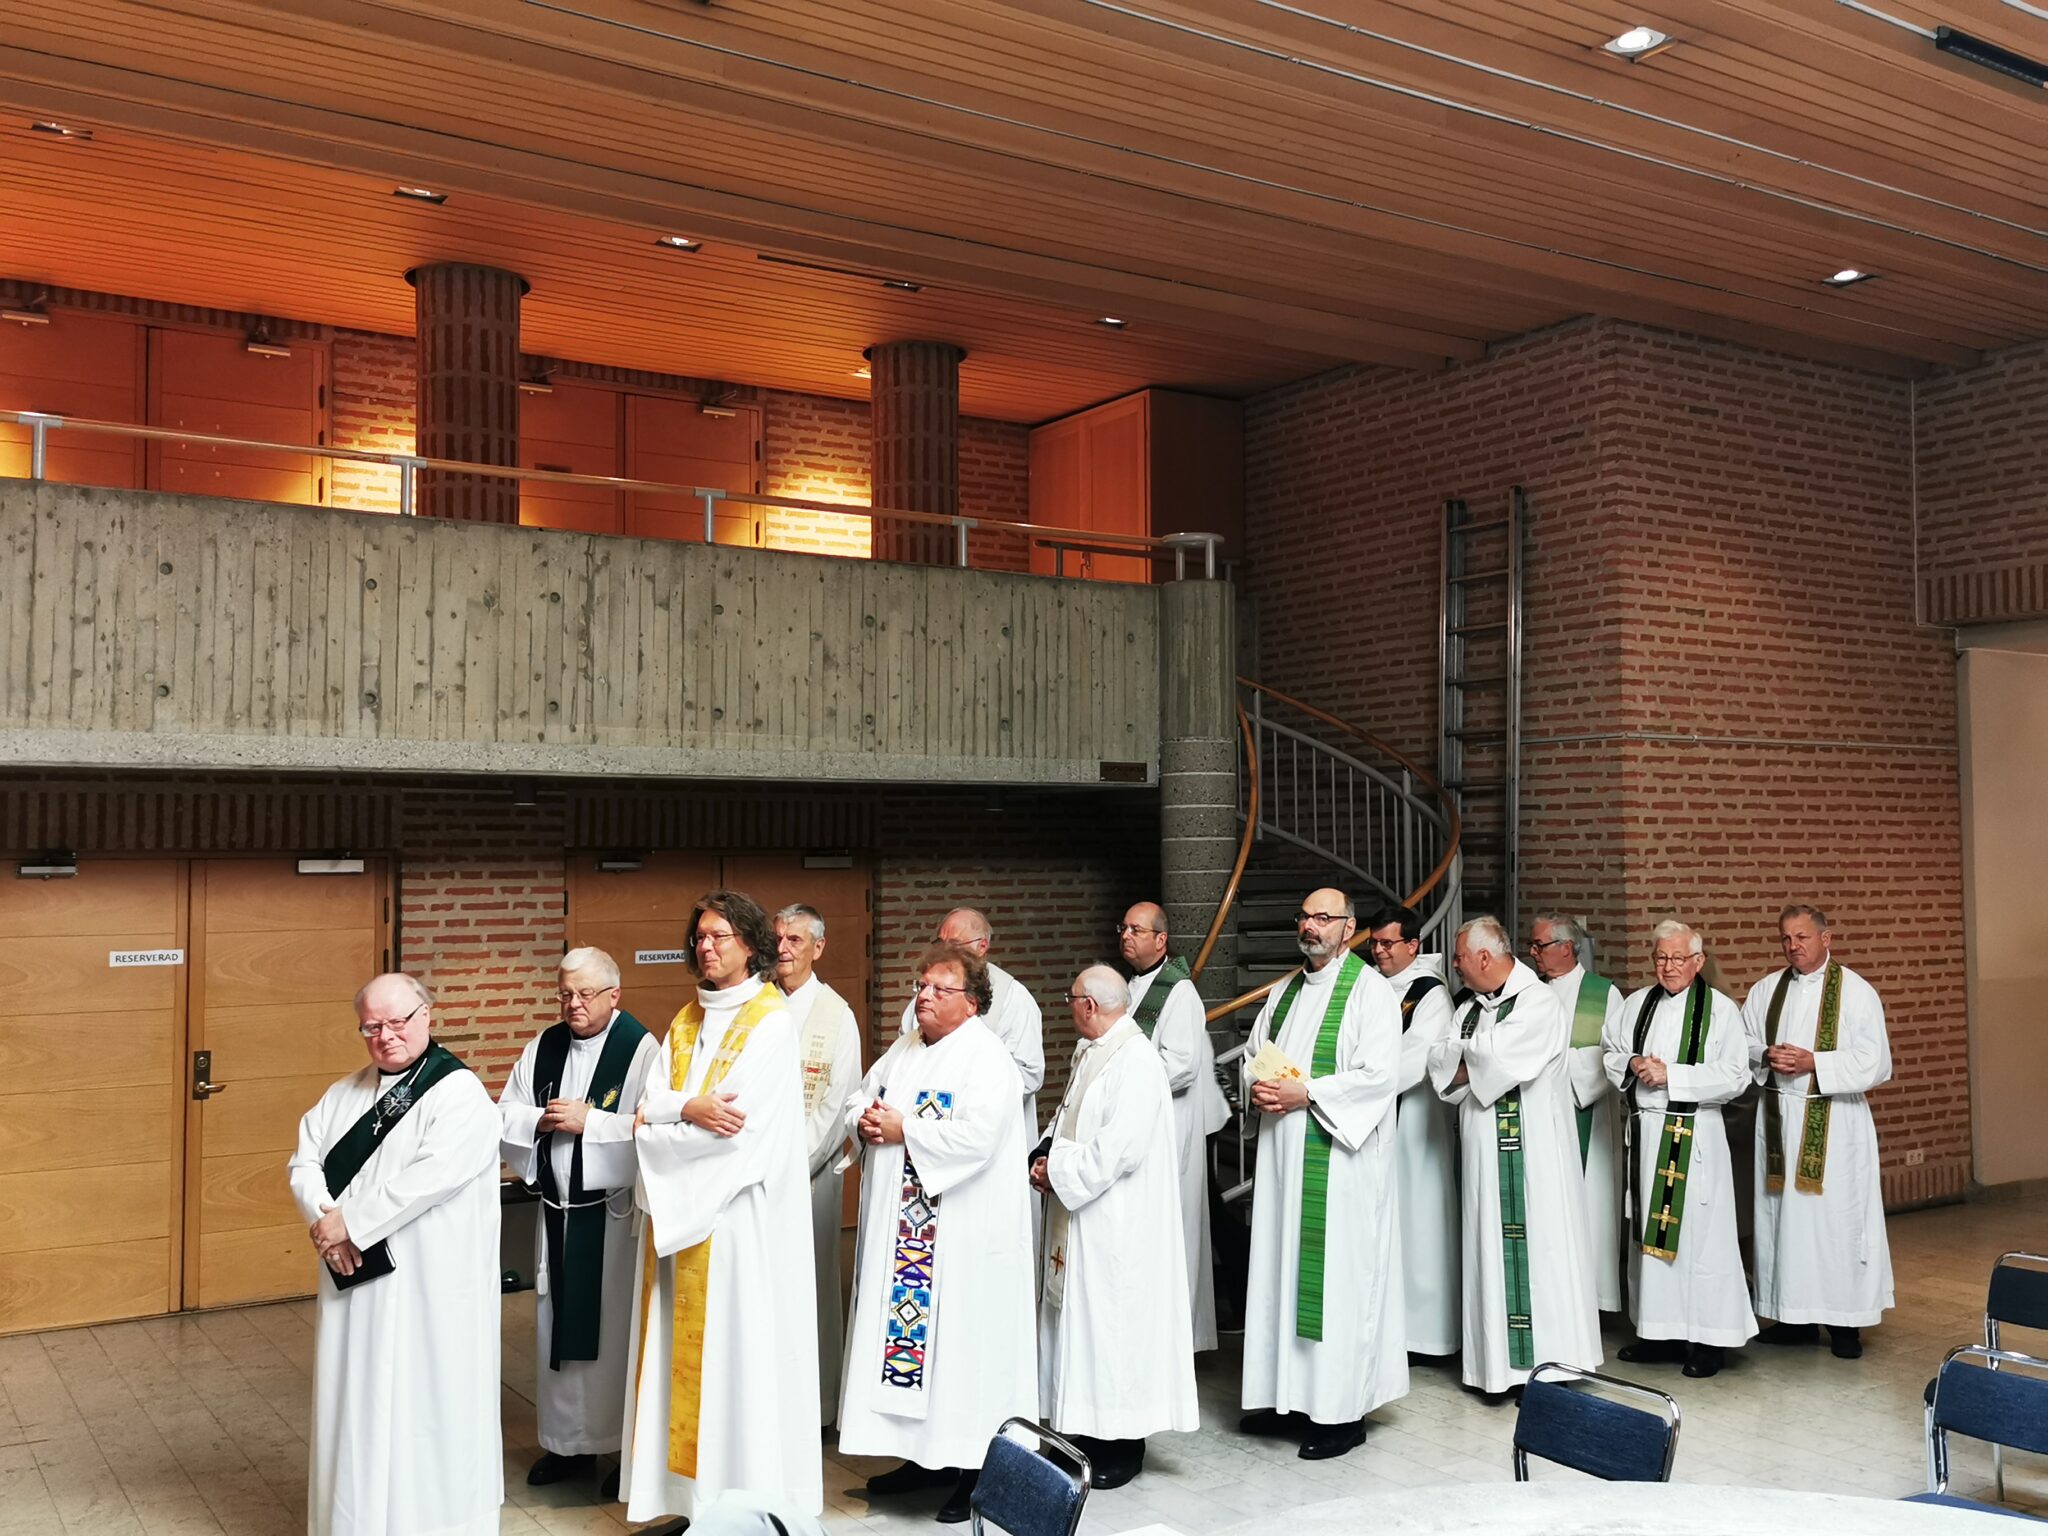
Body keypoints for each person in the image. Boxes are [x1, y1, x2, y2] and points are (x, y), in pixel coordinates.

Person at [618, 890, 821, 1524]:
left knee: (734, 1363)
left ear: (752, 945)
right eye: (699, 937)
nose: (705, 947)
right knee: (675, 1364)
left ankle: (735, 1507)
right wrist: (686, 1108)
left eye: (719, 936)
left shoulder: (770, 1023)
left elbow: (738, 1135)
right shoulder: (685, 1020)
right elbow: (648, 1110)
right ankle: (684, 1503)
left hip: (735, 1225)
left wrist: (668, 1123)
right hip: (680, 1220)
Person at [288, 973, 502, 1536]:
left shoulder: (458, 1094)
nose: (385, 1036)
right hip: (353, 1280)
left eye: (397, 1022)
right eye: (371, 1027)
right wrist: (326, 1223)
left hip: (427, 1289)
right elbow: (304, 1162)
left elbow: (433, 1177)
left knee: (423, 1409)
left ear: (426, 1015)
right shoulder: (344, 1094)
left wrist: (348, 1224)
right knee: (353, 1405)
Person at [841, 944, 1037, 1524]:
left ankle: (973, 1473)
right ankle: (921, 1460)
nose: (923, 997)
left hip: (962, 1240)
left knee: (961, 1355)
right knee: (912, 1356)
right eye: (921, 986)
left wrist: (906, 1128)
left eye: (939, 989)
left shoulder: (987, 1058)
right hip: (908, 1244)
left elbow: (979, 1137)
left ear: (971, 1003)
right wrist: (864, 1120)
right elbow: (862, 1096)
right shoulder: (907, 1048)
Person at [1237, 889, 1406, 1460]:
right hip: (1281, 1157)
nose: (1311, 926)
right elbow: (1254, 1054)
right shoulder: (1283, 992)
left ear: (1349, 928)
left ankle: (1341, 1413)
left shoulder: (1370, 991)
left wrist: (1306, 1093)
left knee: (1335, 1282)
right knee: (1279, 1272)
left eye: (1324, 918)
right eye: (1305, 916)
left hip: (1339, 1166)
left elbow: (1380, 1075)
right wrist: (1260, 1088)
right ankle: (1283, 1397)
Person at [499, 947, 663, 1498]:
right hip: (556, 1215)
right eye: (565, 993)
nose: (573, 1004)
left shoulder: (640, 1050)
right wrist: (543, 1120)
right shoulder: (543, 1046)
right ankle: (566, 1446)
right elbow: (506, 1113)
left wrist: (590, 1122)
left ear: (614, 995)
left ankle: (621, 1448)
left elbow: (650, 1127)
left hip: (612, 1220)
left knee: (613, 1333)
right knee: (556, 1331)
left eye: (585, 994)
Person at [1032, 965, 1199, 1488]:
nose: (1068, 1006)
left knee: (1115, 1332)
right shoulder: (1093, 1051)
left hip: (1118, 1224)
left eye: (1071, 998)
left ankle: (1124, 1445)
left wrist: (1057, 1171)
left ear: (1089, 1006)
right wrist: (1043, 1153)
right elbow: (1067, 1115)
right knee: (1080, 1329)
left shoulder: (1137, 1061)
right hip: (1084, 1217)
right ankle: (1080, 1433)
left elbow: (1119, 1149)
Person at [1428, 917, 1602, 1398]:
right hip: (1485, 1156)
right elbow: (1439, 1061)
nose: (1455, 966)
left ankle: (1547, 1368)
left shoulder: (1538, 1002)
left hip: (1535, 1159)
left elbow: (1496, 1062)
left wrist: (1468, 1056)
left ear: (1484, 957)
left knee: (1540, 1254)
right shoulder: (1470, 1008)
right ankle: (1496, 1369)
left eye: (1460, 957)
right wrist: (1472, 1055)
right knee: (1489, 1248)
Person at [1741, 903, 1895, 1359]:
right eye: (1786, 938)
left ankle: (1845, 1325)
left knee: (1835, 1224)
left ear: (1826, 939)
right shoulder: (1766, 990)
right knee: (1784, 1223)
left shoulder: (1856, 992)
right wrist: (1765, 1054)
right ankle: (1794, 1319)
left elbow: (1876, 1062)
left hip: (1836, 1127)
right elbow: (1741, 1042)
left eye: (1802, 937)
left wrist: (1814, 1062)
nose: (1793, 946)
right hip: (1778, 1121)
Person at [1606, 921, 1757, 1378]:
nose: (1668, 967)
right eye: (1661, 958)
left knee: (1701, 1242)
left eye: (1678, 958)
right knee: (1650, 1240)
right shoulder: (1636, 1004)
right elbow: (1609, 1050)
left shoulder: (1720, 1010)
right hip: (1647, 1134)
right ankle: (1659, 1333)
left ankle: (1710, 1340)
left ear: (1698, 961)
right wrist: (1633, 1063)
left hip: (1694, 1135)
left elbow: (1736, 1076)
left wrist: (1672, 1075)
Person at [1116, 900, 1228, 1352]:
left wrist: (1121, 1075)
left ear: (1161, 940)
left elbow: (1181, 1066)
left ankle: (1179, 1341)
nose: (1126, 936)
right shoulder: (1129, 985)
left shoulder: (1178, 993)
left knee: (1175, 1232)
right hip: (1138, 1124)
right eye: (1124, 928)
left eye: (1136, 930)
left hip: (1170, 1127)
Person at [773, 902, 865, 1426]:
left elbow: (836, 1107)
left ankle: (818, 1408)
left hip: (809, 1176)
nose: (783, 949)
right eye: (778, 939)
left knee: (811, 1287)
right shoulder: (757, 1005)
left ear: (819, 948)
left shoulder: (837, 1016)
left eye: (795, 940)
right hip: (756, 1177)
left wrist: (788, 1164)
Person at [1365, 904, 1460, 1359]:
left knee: (1419, 1222)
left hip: (1415, 1121)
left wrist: (1360, 1083)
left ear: (1413, 945)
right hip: (1374, 1118)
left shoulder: (1430, 994)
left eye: (1388, 943)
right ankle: (1386, 1328)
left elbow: (1416, 1058)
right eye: (1374, 943)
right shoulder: (1368, 986)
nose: (1379, 951)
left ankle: (1425, 1336)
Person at [1529, 912, 1626, 1314]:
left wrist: (1549, 1068)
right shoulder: (1529, 992)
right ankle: (1548, 1299)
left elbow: (1613, 1056)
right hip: (1538, 1120)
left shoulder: (1604, 994)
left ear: (1567, 948)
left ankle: (1589, 1304)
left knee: (1589, 1210)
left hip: (1583, 1114)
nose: (1532, 953)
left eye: (1540, 945)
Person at [897, 907, 1043, 1127]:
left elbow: (1028, 1075)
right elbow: (903, 1056)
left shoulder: (1012, 997)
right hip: (922, 1125)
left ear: (982, 947)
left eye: (955, 944)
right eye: (940, 943)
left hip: (985, 1126)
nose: (945, 951)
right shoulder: (925, 996)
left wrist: (961, 1097)